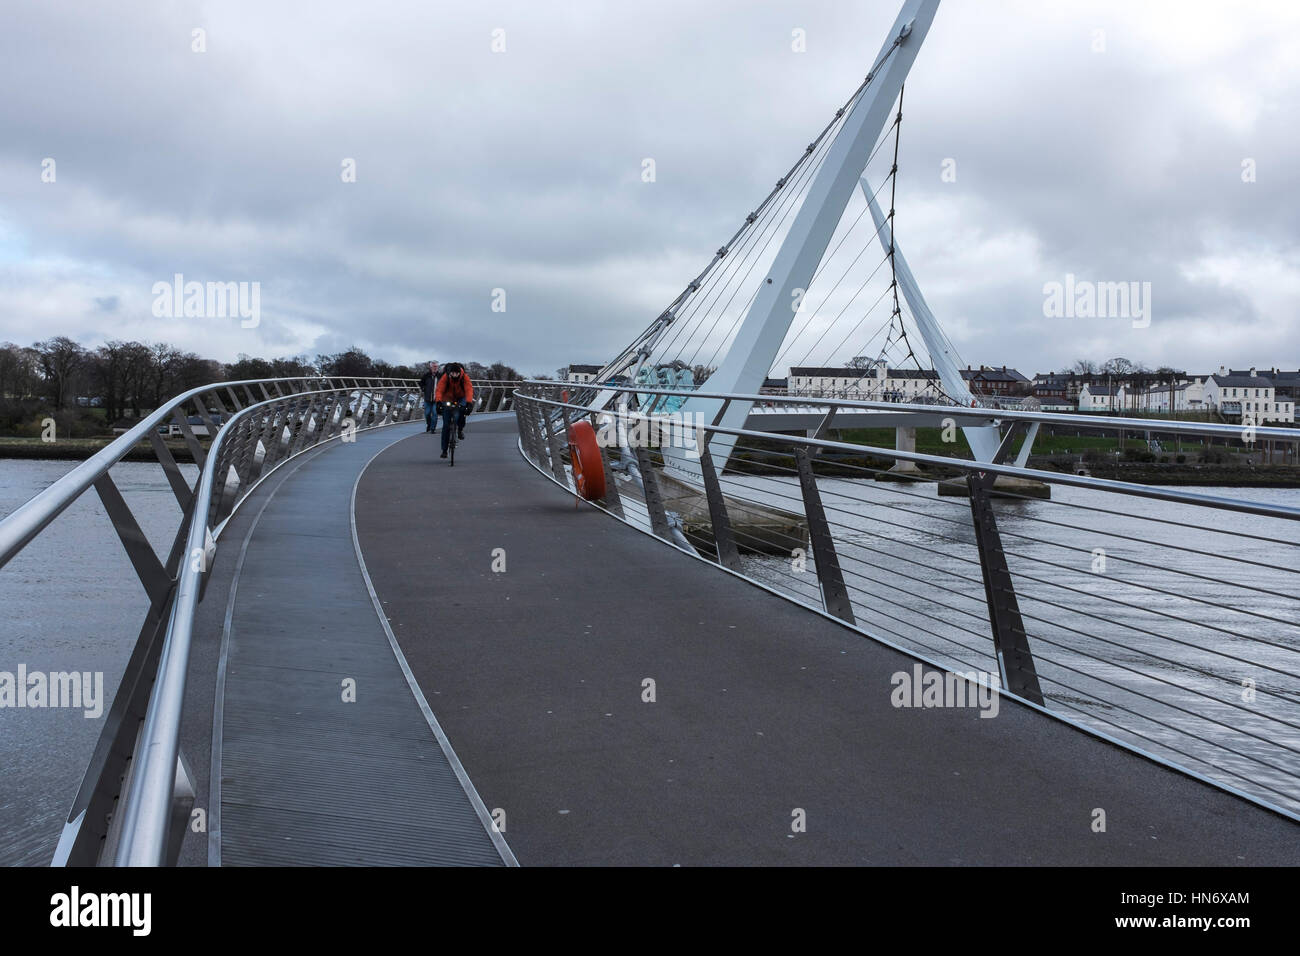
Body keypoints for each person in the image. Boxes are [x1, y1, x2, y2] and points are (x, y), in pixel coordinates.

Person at [435, 362, 474, 458]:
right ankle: (444, 450)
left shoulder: (464, 377)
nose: (454, 375)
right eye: (452, 373)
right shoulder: (446, 377)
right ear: (450, 372)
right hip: (447, 398)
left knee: (462, 411)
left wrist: (469, 403)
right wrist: (438, 402)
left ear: (459, 373)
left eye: (456, 373)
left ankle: (460, 429)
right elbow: (439, 389)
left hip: (461, 397)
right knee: (446, 426)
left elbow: (469, 389)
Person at [419, 361, 441, 433]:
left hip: (436, 399)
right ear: (431, 367)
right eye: (434, 366)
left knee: (435, 413)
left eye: (436, 367)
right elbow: (421, 383)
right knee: (427, 414)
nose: (435, 368)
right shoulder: (426, 375)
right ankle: (429, 424)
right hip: (427, 398)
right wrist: (423, 388)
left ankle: (432, 428)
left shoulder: (440, 376)